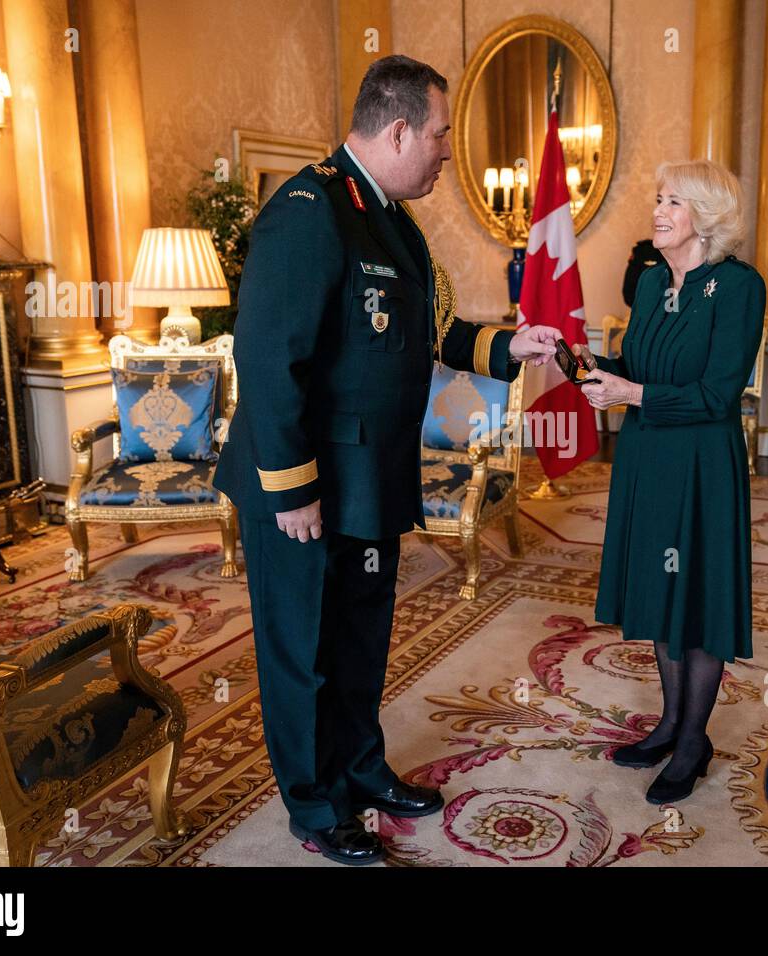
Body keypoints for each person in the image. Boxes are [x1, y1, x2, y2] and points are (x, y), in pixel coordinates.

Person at [212, 55, 559, 865]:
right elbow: (267, 359)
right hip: (299, 486)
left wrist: (513, 344)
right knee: (303, 650)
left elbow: (431, 330)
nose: (446, 152)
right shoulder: (308, 211)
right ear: (399, 129)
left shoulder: (394, 218)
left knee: (361, 638)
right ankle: (314, 805)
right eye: (439, 135)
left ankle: (363, 772)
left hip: (368, 480)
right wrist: (292, 489)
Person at [578, 159, 764, 805]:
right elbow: (634, 366)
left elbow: (718, 392)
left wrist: (633, 392)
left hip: (700, 461)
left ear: (706, 218)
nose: (657, 210)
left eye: (672, 202)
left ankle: (693, 743)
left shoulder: (739, 287)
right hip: (647, 456)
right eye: (658, 198)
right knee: (660, 591)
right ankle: (669, 723)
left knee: (700, 602)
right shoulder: (653, 283)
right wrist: (585, 363)